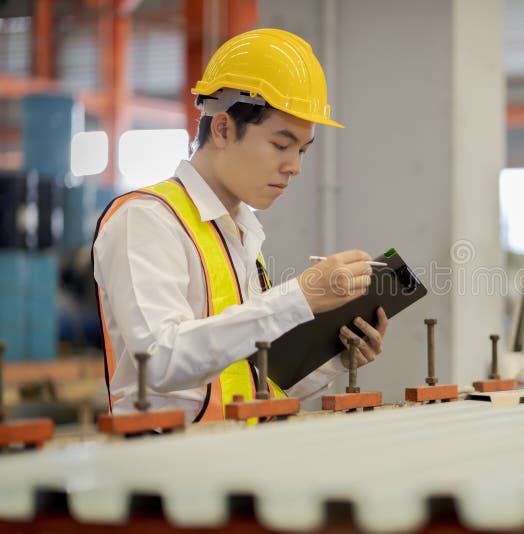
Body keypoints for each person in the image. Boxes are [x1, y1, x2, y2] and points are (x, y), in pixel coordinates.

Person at [92, 28, 388, 423]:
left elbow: (245, 377)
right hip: (163, 462)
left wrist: (333, 356)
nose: (294, 166)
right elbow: (159, 361)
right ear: (222, 129)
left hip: (232, 454)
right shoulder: (146, 219)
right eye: (281, 145)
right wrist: (298, 297)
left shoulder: (243, 231)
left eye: (302, 150)